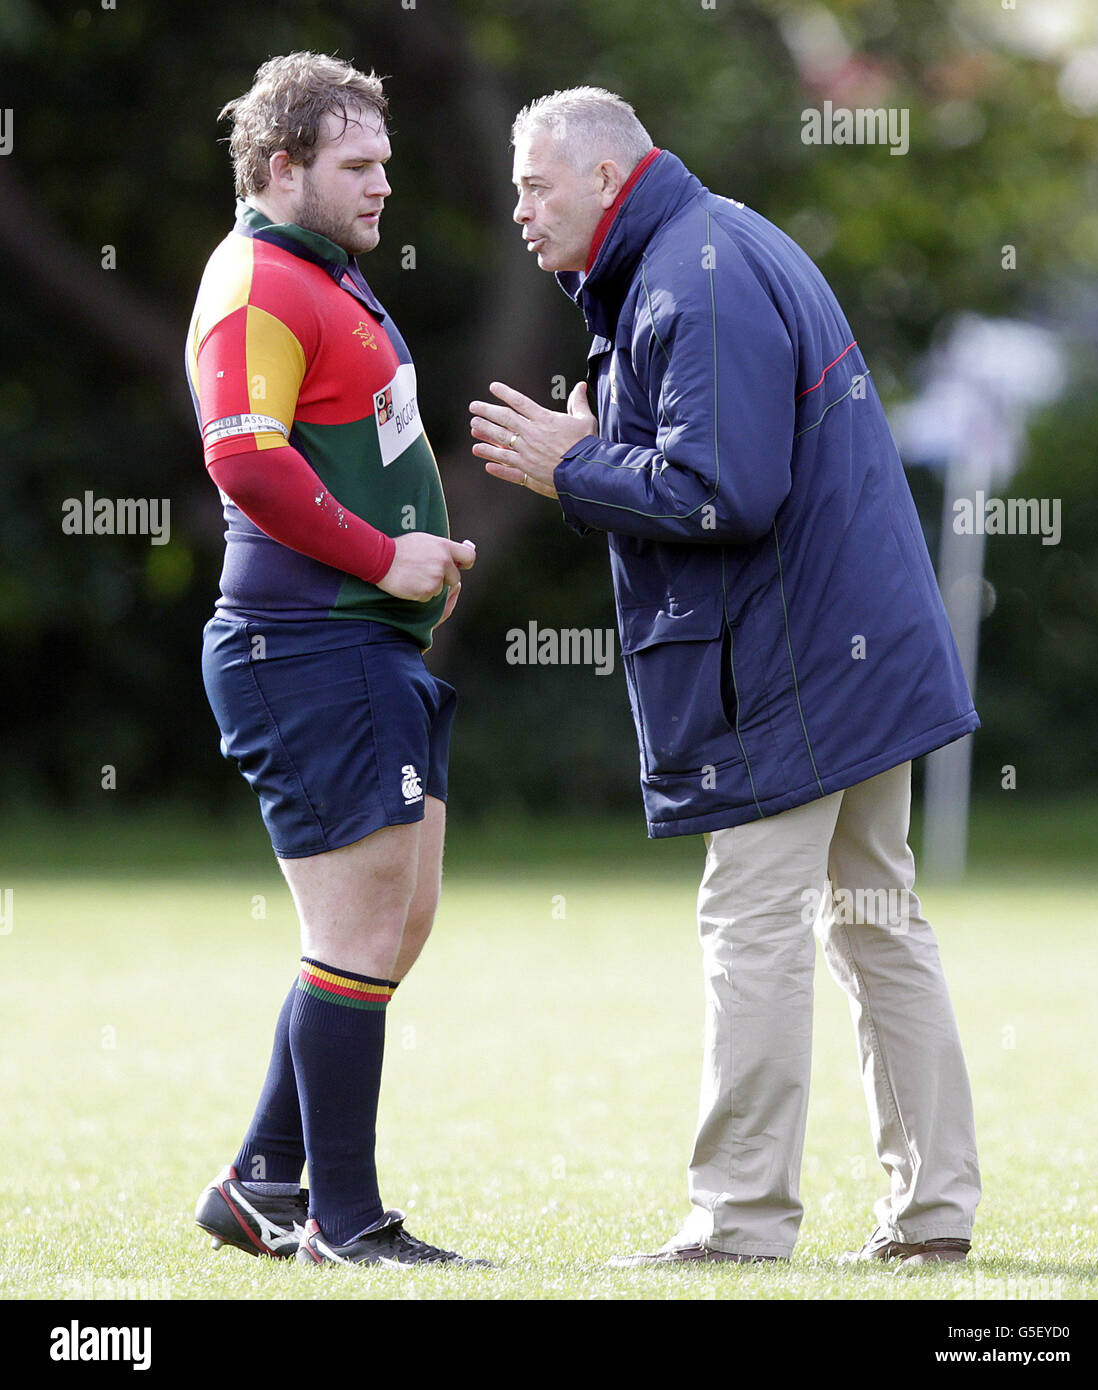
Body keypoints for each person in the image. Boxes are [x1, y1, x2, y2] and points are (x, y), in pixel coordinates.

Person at [470, 87, 981, 1268]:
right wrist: (608, 453)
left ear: (607, 178)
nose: (516, 211)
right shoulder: (711, 243)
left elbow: (723, 493)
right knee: (875, 920)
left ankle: (741, 1219)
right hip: (849, 655)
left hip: (793, 668)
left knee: (752, 923)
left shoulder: (687, 274)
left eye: (534, 186)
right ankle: (931, 1211)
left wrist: (579, 465)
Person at [186, 52, 485, 1267]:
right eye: (356, 166)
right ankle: (345, 1223)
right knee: (358, 934)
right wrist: (384, 559)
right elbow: (245, 459)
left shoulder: (333, 279)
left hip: (360, 644)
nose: (381, 187)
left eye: (386, 164)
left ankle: (263, 1181)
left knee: (393, 926)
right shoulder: (257, 276)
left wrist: (416, 565)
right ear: (280, 167)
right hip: (300, 644)